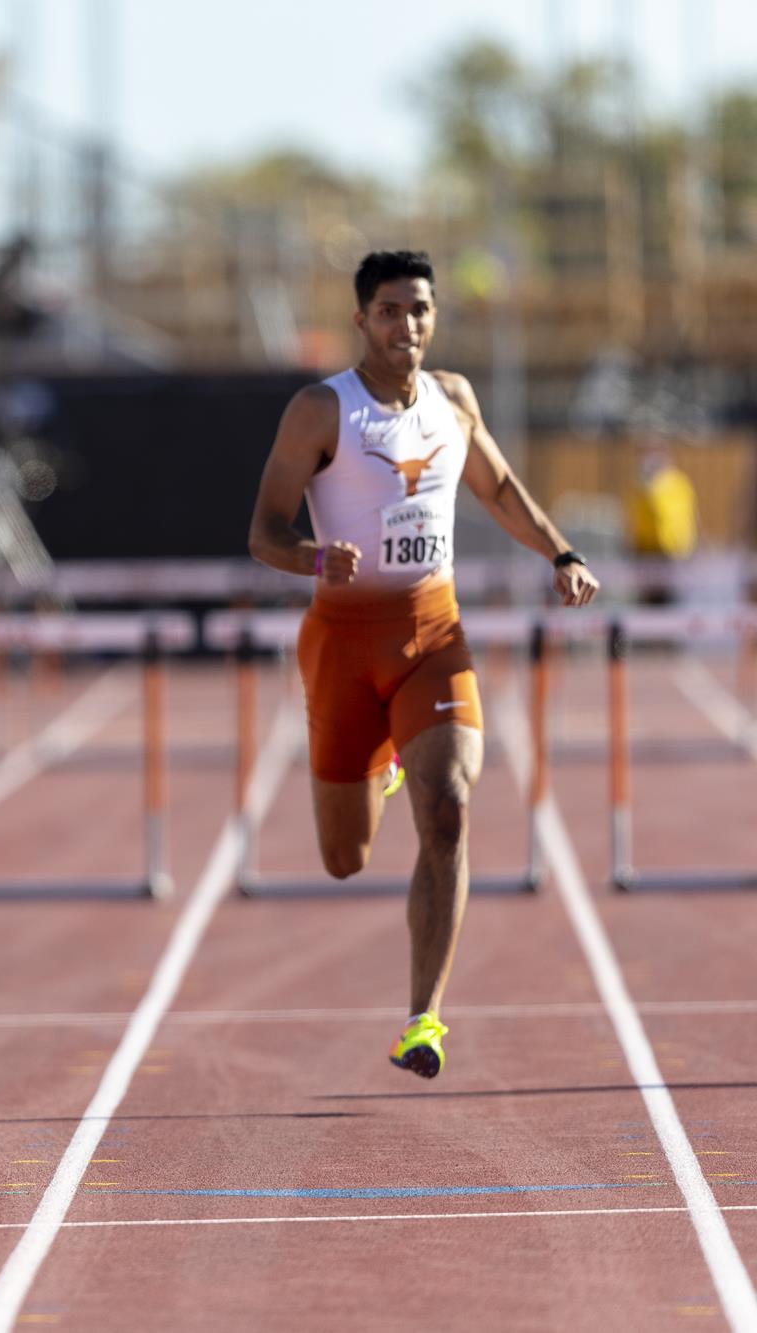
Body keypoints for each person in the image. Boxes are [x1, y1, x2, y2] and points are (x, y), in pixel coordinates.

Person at [248, 250, 599, 1082]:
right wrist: (309, 559)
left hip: (433, 632)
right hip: (343, 642)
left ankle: (423, 1019)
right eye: (391, 310)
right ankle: (384, 760)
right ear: (362, 320)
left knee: (449, 806)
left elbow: (501, 488)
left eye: (420, 309)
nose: (408, 325)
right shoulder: (319, 410)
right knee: (345, 857)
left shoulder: (455, 399)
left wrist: (563, 552)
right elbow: (263, 531)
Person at [629, 439, 697, 605]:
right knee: (647, 603)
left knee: (669, 603)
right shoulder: (641, 484)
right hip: (645, 551)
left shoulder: (676, 483)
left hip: (670, 553)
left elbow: (678, 517)